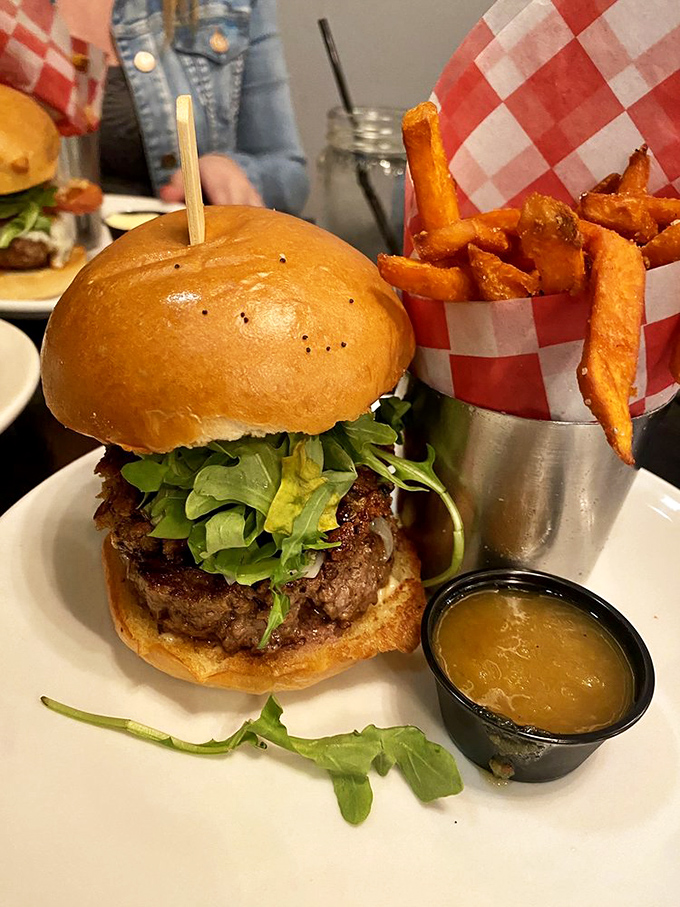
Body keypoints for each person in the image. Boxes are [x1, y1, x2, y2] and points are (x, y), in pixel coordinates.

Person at [56, 0, 309, 214]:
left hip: (191, 260)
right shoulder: (18, 18)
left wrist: (229, 171)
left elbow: (289, 175)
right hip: (53, 263)